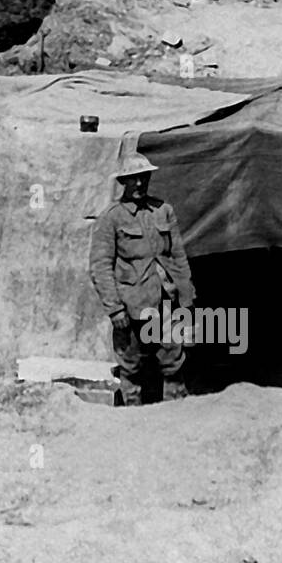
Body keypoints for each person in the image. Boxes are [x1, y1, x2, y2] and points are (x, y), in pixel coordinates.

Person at [89, 153, 195, 406]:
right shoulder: (111, 218)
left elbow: (178, 255)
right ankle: (132, 420)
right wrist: (115, 309)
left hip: (166, 303)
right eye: (132, 178)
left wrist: (187, 295)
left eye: (143, 177)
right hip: (132, 306)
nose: (139, 183)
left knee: (173, 362)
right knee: (131, 366)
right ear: (123, 181)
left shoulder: (163, 211)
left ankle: (173, 413)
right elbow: (100, 266)